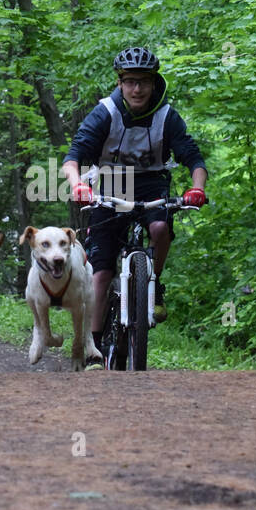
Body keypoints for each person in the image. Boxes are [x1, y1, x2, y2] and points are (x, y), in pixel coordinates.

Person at [61, 46, 207, 350]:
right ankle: (94, 348)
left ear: (154, 83)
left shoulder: (167, 116)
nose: (137, 89)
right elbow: (73, 156)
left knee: (159, 229)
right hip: (113, 184)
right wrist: (77, 185)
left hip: (153, 182)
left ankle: (154, 285)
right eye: (130, 82)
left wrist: (197, 189)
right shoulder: (105, 112)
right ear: (120, 83)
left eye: (143, 81)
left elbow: (193, 157)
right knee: (100, 272)